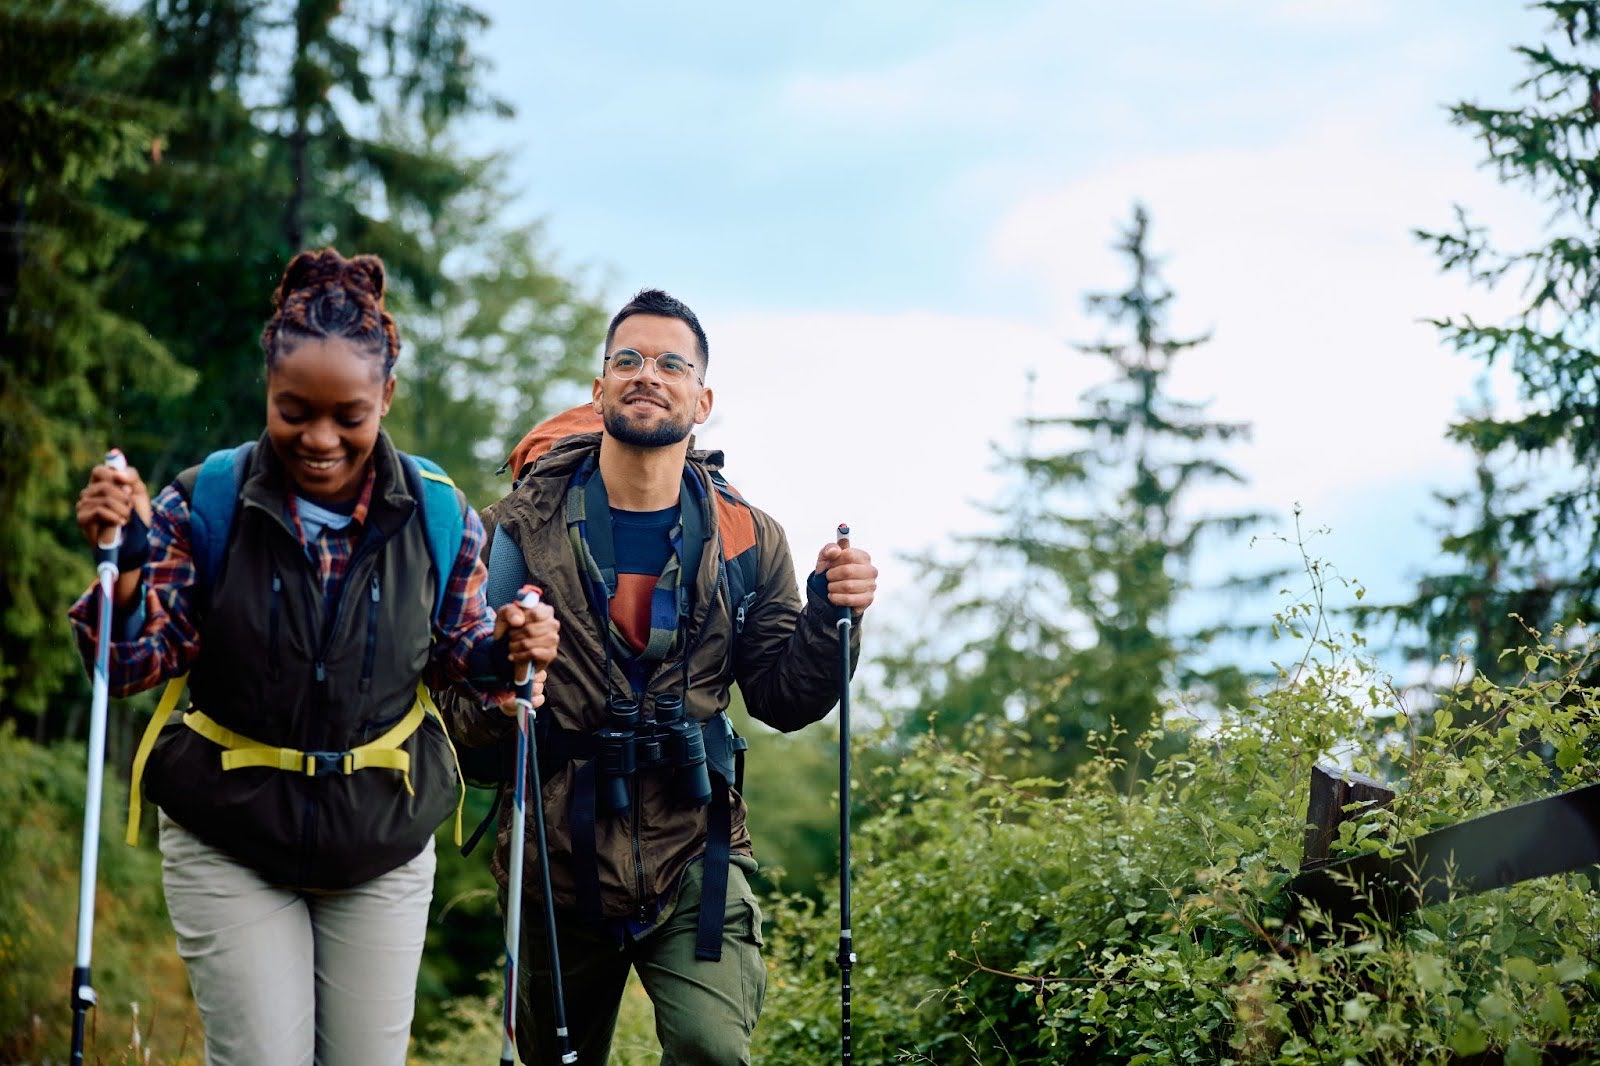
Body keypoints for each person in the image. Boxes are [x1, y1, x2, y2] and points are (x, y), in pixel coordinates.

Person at [68, 248, 560, 1066]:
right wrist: (118, 579)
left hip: (381, 837)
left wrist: (514, 643)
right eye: (293, 411)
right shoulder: (206, 503)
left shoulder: (439, 517)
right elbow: (131, 667)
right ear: (267, 388)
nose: (319, 439)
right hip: (230, 830)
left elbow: (463, 659)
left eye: (349, 416)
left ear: (387, 397)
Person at [446, 288, 878, 1064]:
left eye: (671, 363)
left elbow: (784, 699)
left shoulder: (748, 536)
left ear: (702, 398)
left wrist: (830, 617)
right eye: (628, 360)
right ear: (599, 388)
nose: (648, 375)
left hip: (694, 852)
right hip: (556, 860)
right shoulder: (514, 529)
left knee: (713, 1051)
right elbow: (461, 719)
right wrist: (506, 680)